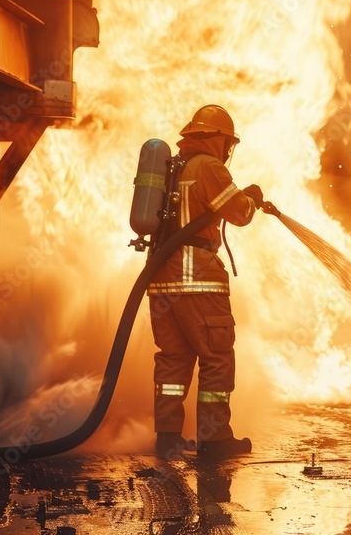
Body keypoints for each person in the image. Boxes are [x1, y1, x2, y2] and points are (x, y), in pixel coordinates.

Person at [147, 104, 265, 460]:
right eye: (227, 141)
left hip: (161, 279)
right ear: (215, 138)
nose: (228, 149)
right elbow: (239, 213)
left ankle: (167, 438)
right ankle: (215, 440)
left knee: (173, 360)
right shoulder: (208, 167)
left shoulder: (171, 168)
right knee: (216, 358)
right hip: (198, 279)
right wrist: (253, 198)